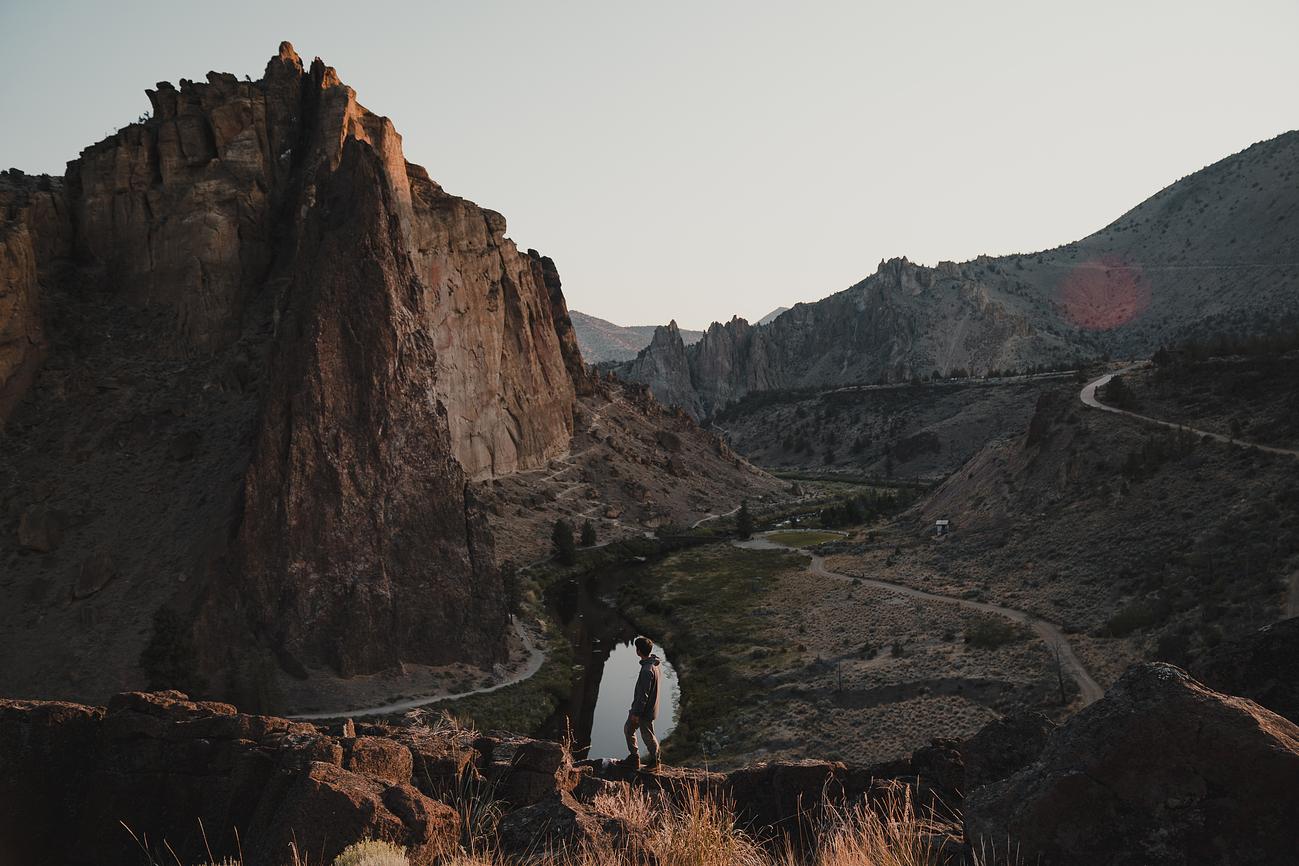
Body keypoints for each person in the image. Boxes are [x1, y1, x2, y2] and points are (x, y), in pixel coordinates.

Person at [621, 635, 661, 769]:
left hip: (644, 711)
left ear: (638, 651)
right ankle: (635, 758)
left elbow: (642, 695)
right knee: (630, 729)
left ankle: (655, 762)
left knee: (646, 735)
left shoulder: (646, 670)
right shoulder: (654, 665)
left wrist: (636, 713)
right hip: (649, 708)